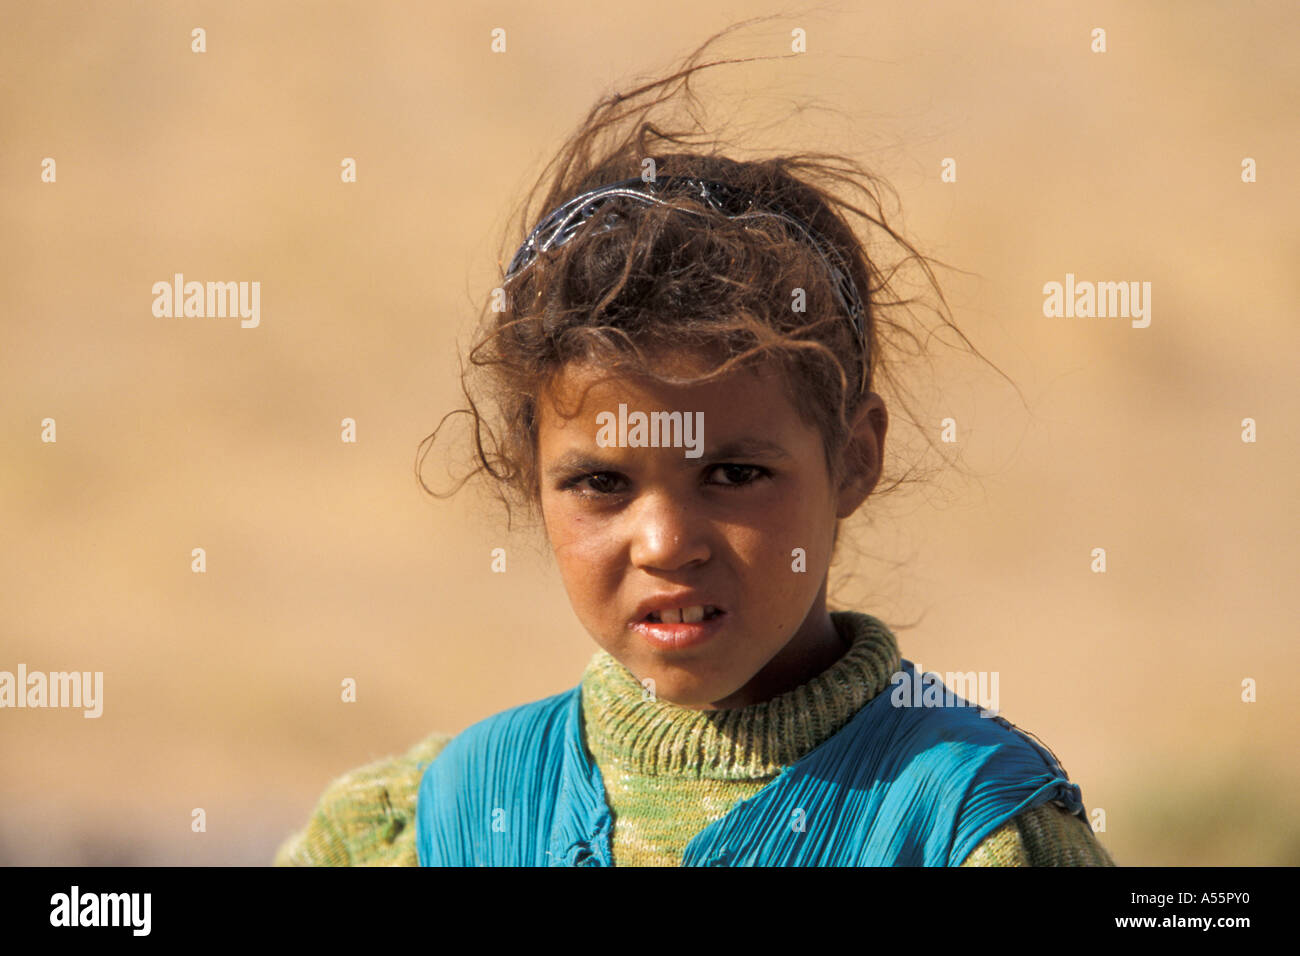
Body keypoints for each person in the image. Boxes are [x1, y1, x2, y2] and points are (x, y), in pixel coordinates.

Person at [274, 23, 1115, 868]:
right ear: (531, 472)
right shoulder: (444, 823)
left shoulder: (966, 825)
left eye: (734, 473)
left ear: (854, 457)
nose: (667, 541)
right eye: (602, 482)